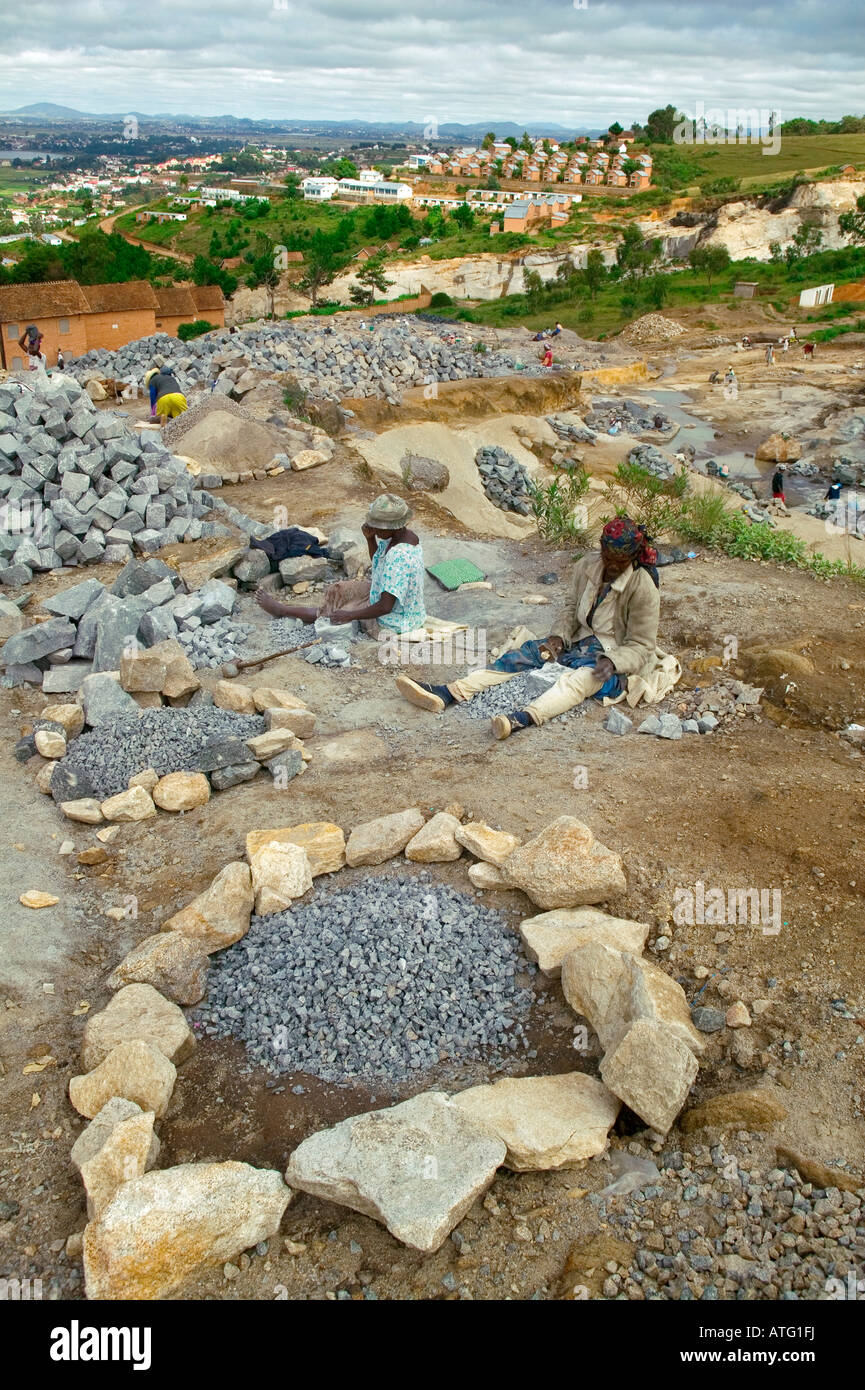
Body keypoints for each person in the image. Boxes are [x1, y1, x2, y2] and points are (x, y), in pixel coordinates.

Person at [396, 516, 679, 739]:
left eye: (619, 563)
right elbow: (570, 609)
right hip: (581, 639)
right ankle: (448, 692)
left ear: (631, 558)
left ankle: (522, 719)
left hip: (612, 651)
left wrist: (612, 662)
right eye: (608, 558)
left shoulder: (642, 588)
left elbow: (642, 646)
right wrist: (558, 637)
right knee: (527, 654)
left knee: (582, 679)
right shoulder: (587, 567)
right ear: (601, 549)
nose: (612, 567)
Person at [255, 493, 425, 635]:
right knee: (338, 589)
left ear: (393, 526)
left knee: (335, 613)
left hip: (395, 617)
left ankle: (283, 610)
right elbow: (379, 563)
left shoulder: (399, 555)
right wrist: (370, 538)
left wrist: (350, 616)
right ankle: (309, 610)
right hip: (387, 596)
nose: (374, 529)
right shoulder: (405, 537)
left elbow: (386, 606)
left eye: (378, 527)